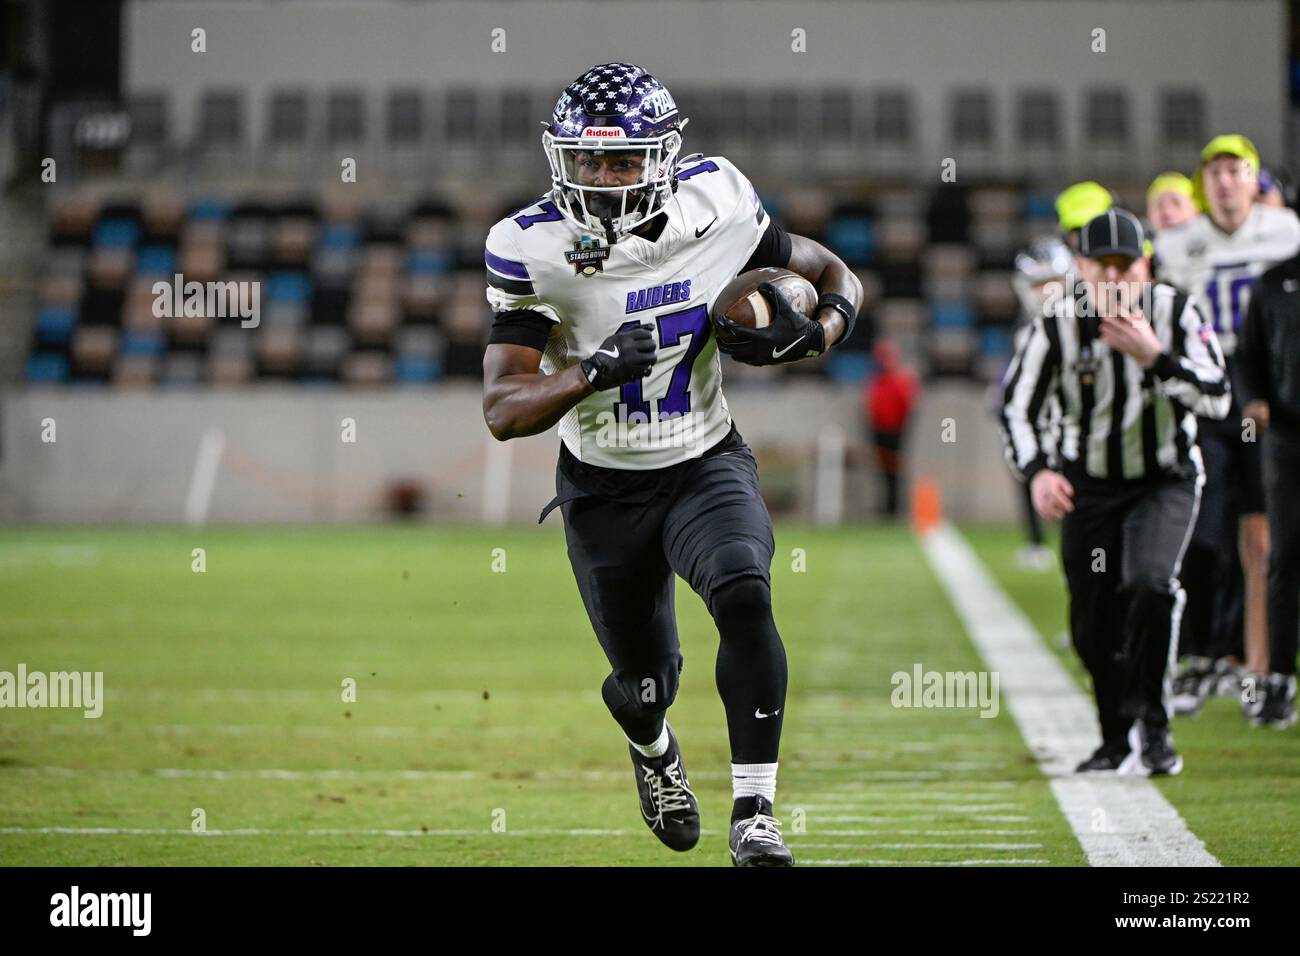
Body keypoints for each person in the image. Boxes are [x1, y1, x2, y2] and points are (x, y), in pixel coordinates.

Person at [480, 63, 862, 866]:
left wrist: (818, 333)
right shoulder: (532, 246)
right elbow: (502, 409)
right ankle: (654, 752)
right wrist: (589, 372)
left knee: (745, 591)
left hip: (702, 460)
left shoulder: (715, 200)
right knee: (644, 682)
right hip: (601, 487)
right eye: (587, 161)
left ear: (661, 158)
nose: (602, 177)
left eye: (621, 161)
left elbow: (834, 274)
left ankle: (755, 813)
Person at [1000, 209, 1230, 775]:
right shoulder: (1057, 321)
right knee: (1092, 621)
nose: (1114, 280)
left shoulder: (1175, 311)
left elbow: (1219, 395)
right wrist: (1038, 473)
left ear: (1145, 267)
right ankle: (1113, 736)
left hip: (1165, 479)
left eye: (1125, 268)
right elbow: (1016, 409)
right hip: (1089, 487)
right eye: (1101, 268)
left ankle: (1155, 726)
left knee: (1151, 585)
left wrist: (1156, 359)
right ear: (1081, 269)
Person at [1155, 134, 1300, 716]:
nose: (1224, 180)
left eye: (1235, 169)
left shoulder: (1285, 231)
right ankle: (1204, 655)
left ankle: (1257, 666)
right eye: (1213, 170)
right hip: (1209, 397)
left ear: (1253, 178)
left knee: (1264, 540)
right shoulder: (1179, 243)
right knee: (1201, 526)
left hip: (1266, 398)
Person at [1237, 254, 1300, 727]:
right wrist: (1253, 398)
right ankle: (1278, 679)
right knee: (1285, 556)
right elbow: (1248, 354)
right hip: (1288, 437)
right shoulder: (1276, 281)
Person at [1005, 235, 1074, 569]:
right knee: (1029, 471)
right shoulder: (1026, 330)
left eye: (1053, 282)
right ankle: (1037, 541)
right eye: (1038, 283)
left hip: (1081, 428)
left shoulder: (1086, 321)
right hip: (1044, 423)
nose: (1046, 292)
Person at [864, 340, 917, 519]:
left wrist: (898, 427)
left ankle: (893, 508)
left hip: (894, 431)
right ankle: (886, 507)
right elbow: (871, 407)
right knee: (883, 471)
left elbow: (906, 406)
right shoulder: (877, 381)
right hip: (878, 430)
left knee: (893, 471)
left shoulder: (899, 380)